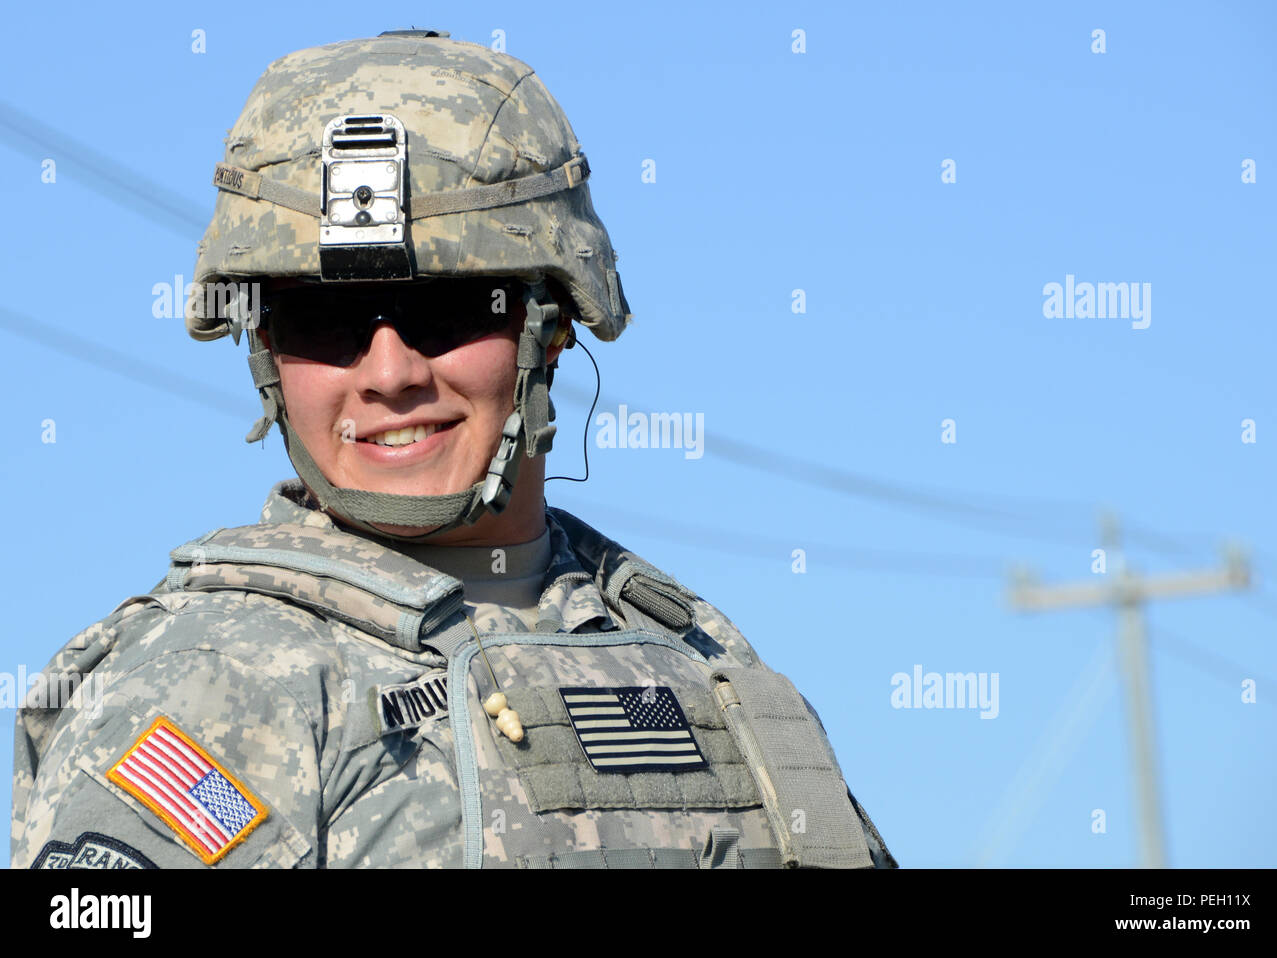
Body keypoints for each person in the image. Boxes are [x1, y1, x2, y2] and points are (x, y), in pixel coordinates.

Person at [11, 30, 896, 870]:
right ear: (268, 353)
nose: (389, 373)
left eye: (448, 311)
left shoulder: (696, 655)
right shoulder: (217, 680)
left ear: (550, 327)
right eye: (325, 322)